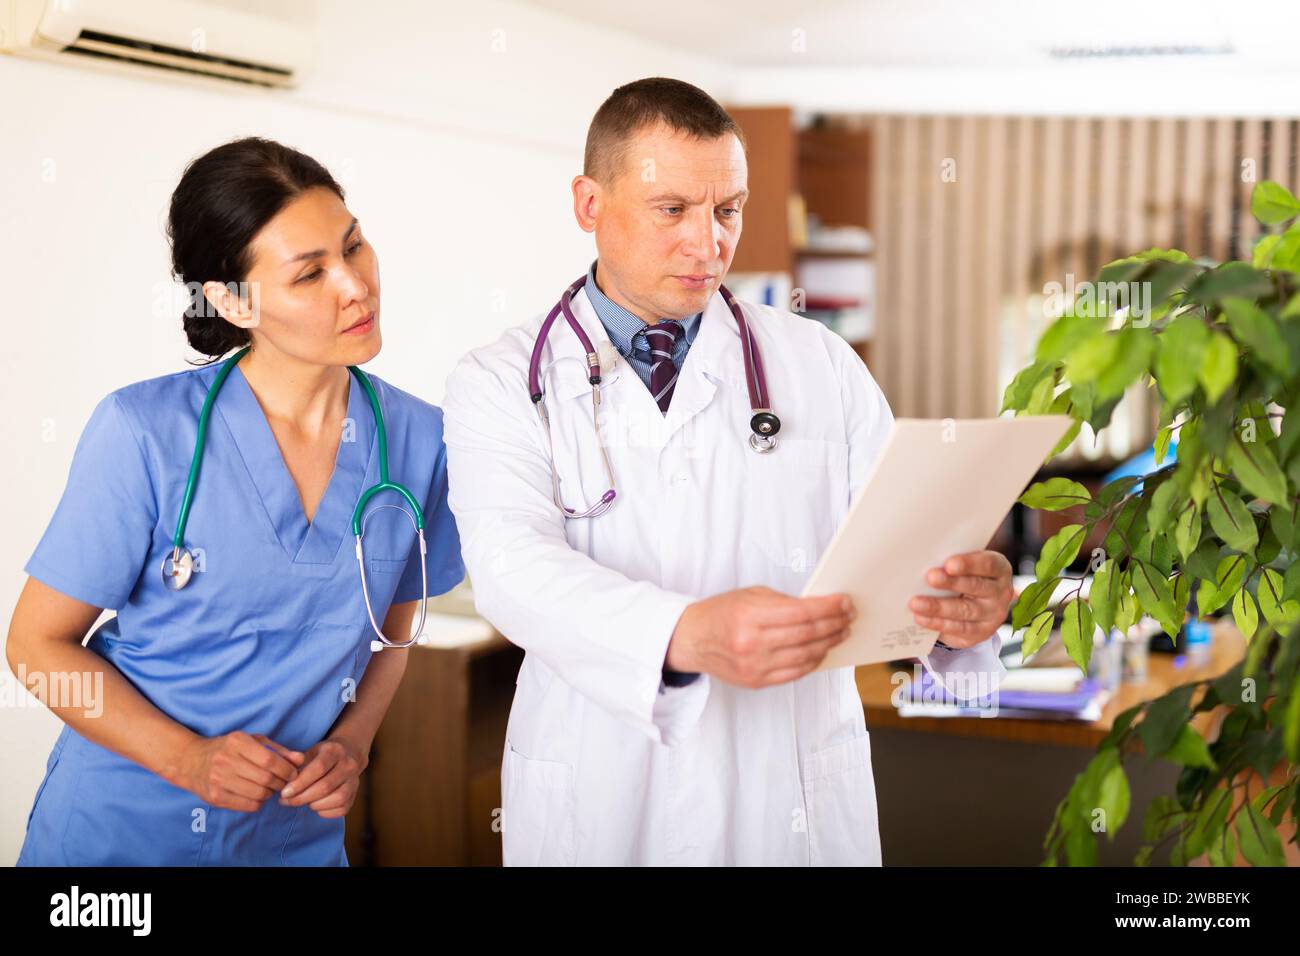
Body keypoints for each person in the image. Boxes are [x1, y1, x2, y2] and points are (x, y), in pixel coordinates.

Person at [441, 78, 1013, 865]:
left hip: (791, 786)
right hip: (605, 788)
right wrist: (685, 634)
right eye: (672, 209)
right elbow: (512, 572)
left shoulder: (819, 364)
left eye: (729, 210)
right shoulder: (502, 380)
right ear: (588, 203)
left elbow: (897, 549)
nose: (708, 243)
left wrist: (956, 616)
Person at [7, 137, 464, 865]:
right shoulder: (144, 432)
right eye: (310, 274)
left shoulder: (419, 440)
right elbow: (36, 649)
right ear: (231, 300)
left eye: (354, 247)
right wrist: (187, 759)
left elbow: (395, 631)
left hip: (293, 840)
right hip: (120, 837)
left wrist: (352, 742)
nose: (355, 286)